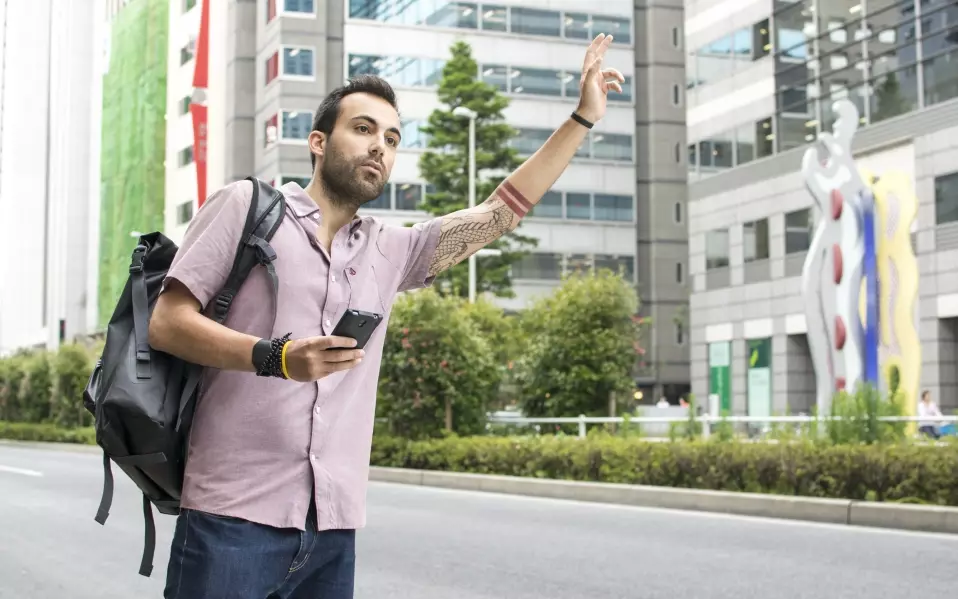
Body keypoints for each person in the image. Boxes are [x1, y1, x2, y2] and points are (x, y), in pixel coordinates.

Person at [148, 34, 624, 599]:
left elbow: (499, 213)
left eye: (392, 139)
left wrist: (582, 118)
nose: (380, 146)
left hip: (331, 529)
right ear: (319, 141)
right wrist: (276, 356)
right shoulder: (245, 207)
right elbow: (168, 322)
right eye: (364, 129)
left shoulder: (391, 251)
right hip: (232, 519)